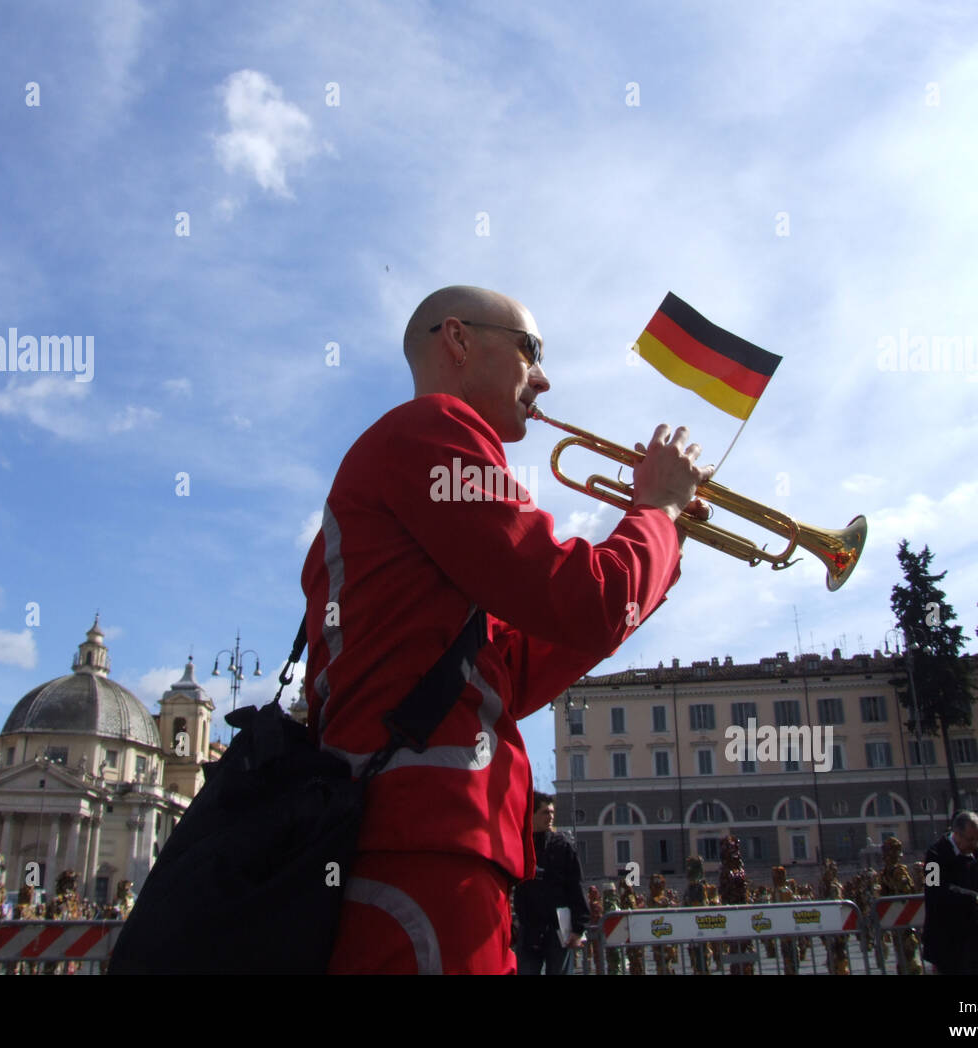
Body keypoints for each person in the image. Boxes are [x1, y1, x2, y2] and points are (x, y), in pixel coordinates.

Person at [302, 285, 710, 975]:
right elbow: (584, 598)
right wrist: (654, 518)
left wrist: (657, 544)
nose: (544, 377)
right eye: (532, 349)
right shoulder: (433, 431)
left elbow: (510, 672)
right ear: (457, 339)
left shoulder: (424, 457)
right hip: (425, 842)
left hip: (442, 840)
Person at [512, 792, 589, 974]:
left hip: (557, 929)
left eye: (552, 812)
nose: (551, 817)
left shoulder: (563, 846)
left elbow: (576, 886)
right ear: (531, 814)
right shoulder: (520, 845)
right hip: (529, 928)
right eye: (545, 812)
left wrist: (578, 928)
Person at [921, 811, 978, 974]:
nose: (975, 844)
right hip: (946, 937)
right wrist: (971, 898)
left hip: (973, 935)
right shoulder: (934, 855)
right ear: (957, 835)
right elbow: (934, 891)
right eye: (970, 839)